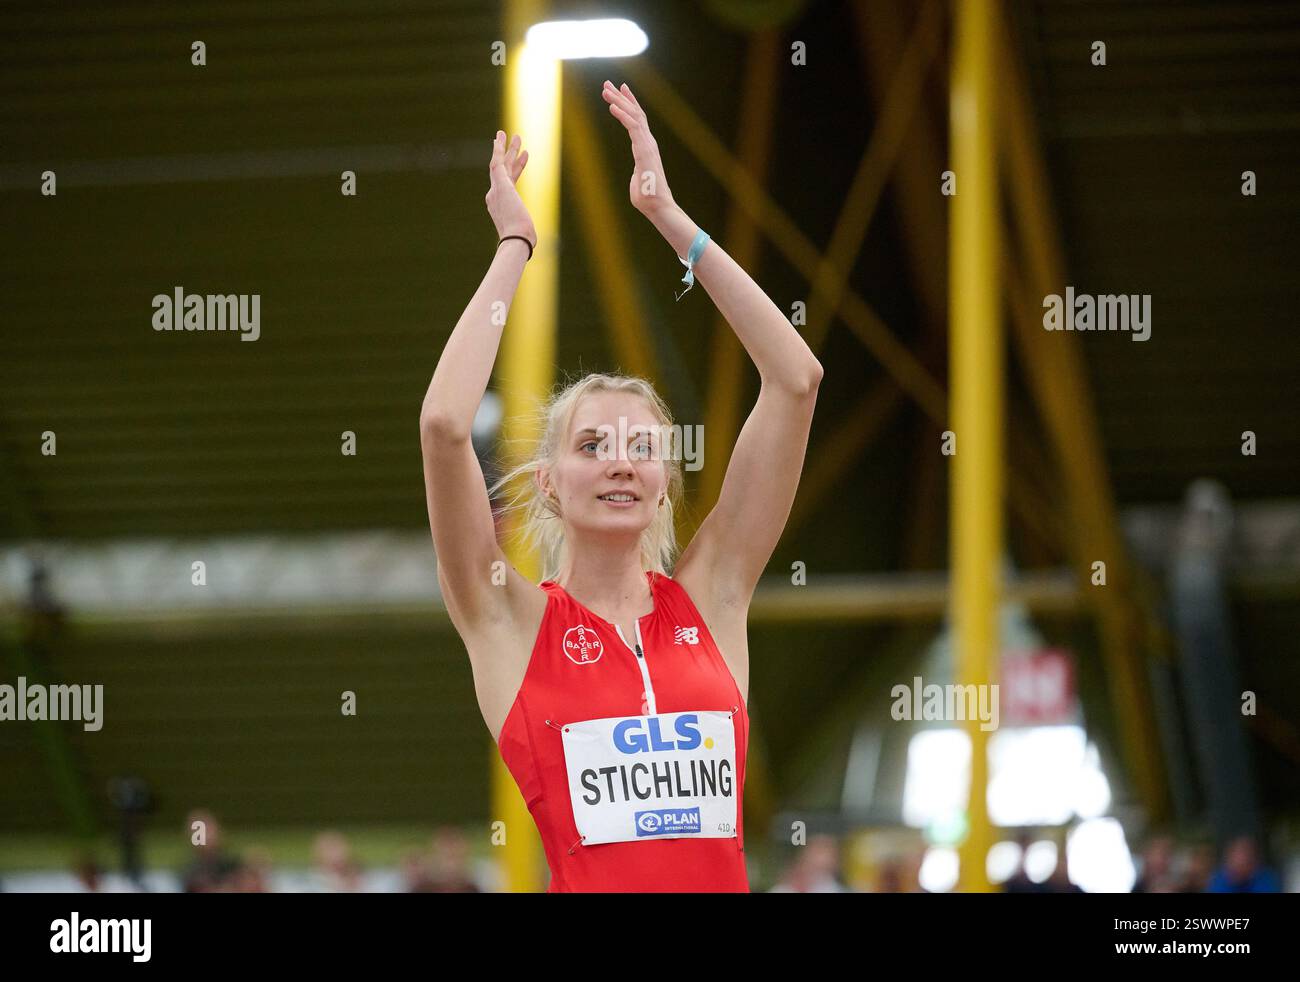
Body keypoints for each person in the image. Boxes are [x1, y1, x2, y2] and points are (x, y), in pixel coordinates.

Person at [419, 80, 822, 892]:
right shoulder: (506, 616)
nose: (620, 459)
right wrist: (515, 245)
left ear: (664, 485)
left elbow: (796, 379)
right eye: (593, 443)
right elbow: (443, 425)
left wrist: (674, 222)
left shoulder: (713, 595)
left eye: (643, 446)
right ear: (549, 484)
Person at [1207, 835, 1281, 893]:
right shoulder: (1219, 879)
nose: (1242, 861)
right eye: (1237, 857)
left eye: (1247, 858)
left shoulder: (1265, 879)